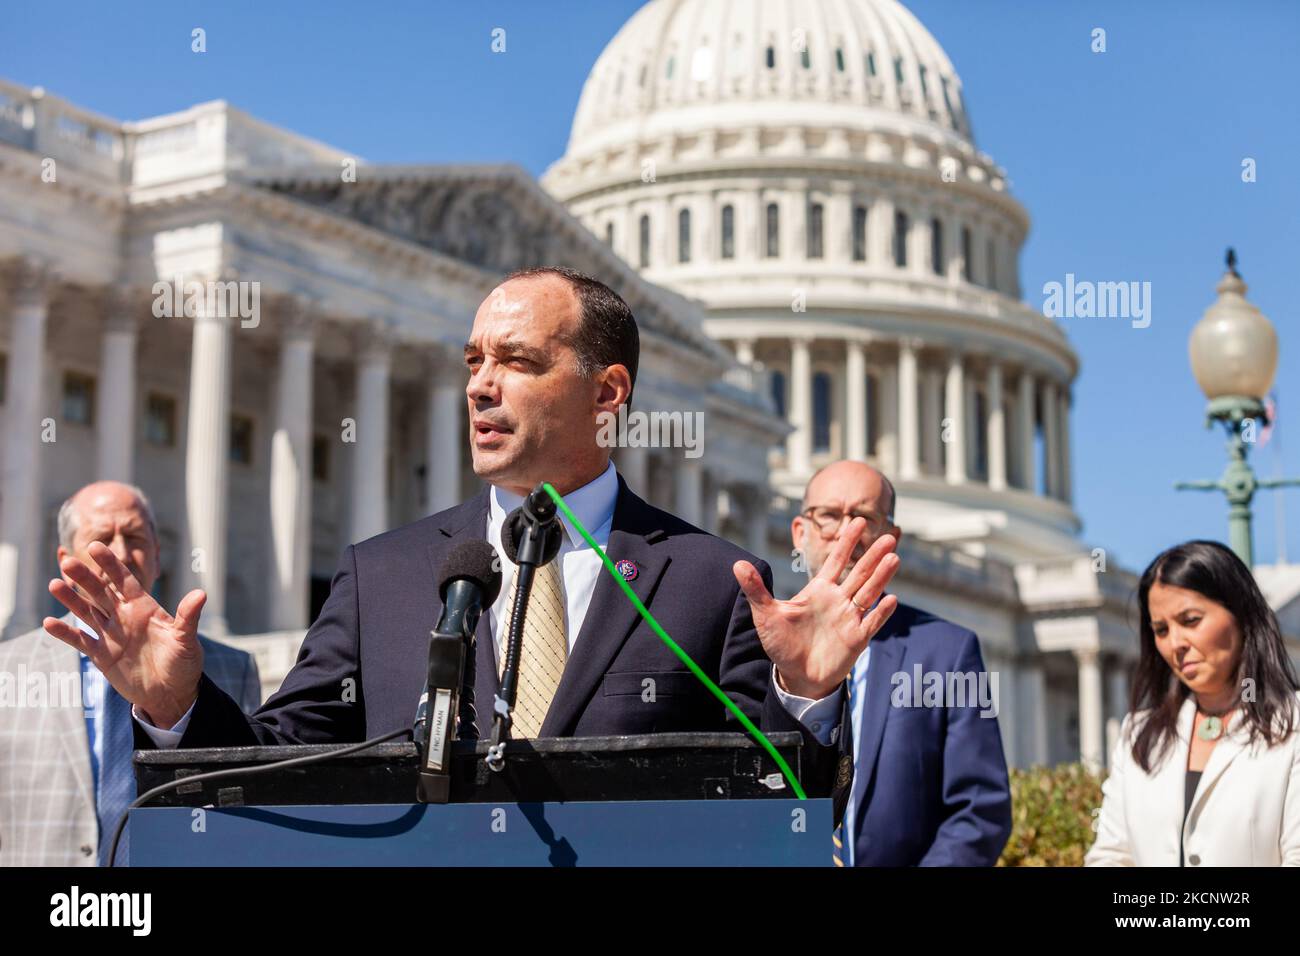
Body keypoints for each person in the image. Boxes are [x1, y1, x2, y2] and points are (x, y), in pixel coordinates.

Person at [45, 268, 901, 817]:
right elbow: (281, 767)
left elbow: (782, 801)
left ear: (608, 391)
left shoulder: (713, 580)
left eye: (518, 361)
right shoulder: (383, 576)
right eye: (471, 360)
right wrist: (177, 707)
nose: (481, 386)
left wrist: (805, 694)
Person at [0, 481, 260, 867]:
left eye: (135, 537)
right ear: (65, 558)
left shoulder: (230, 668)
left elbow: (249, 800)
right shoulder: (9, 668)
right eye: (102, 539)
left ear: (157, 555)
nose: (121, 553)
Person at [792, 460, 1011, 866]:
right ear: (799, 532)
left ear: (891, 538)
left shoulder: (951, 654)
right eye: (829, 516)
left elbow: (980, 809)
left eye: (864, 517)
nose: (847, 532)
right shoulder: (757, 642)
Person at [1086, 540, 1300, 867]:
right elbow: (1111, 856)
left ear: (1241, 614)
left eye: (1191, 620)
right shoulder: (1138, 733)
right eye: (1161, 629)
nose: (1175, 644)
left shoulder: (1294, 724)